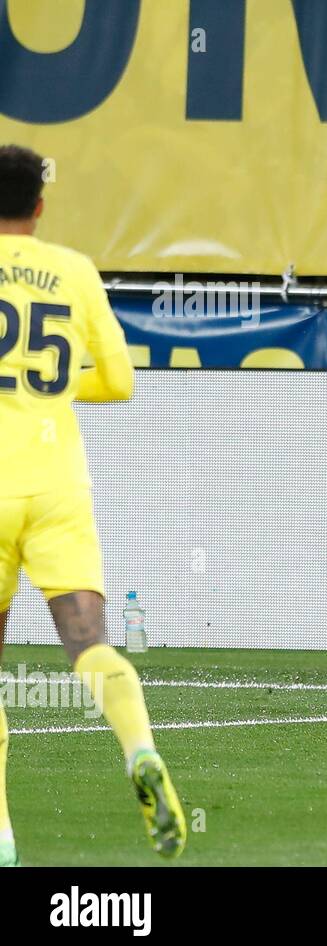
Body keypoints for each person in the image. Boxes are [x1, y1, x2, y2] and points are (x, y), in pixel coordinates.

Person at [0, 144, 185, 865]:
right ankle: (140, 752)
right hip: (55, 485)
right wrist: (44, 389)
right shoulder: (73, 270)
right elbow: (120, 381)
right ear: (40, 208)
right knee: (89, 645)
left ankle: (6, 838)